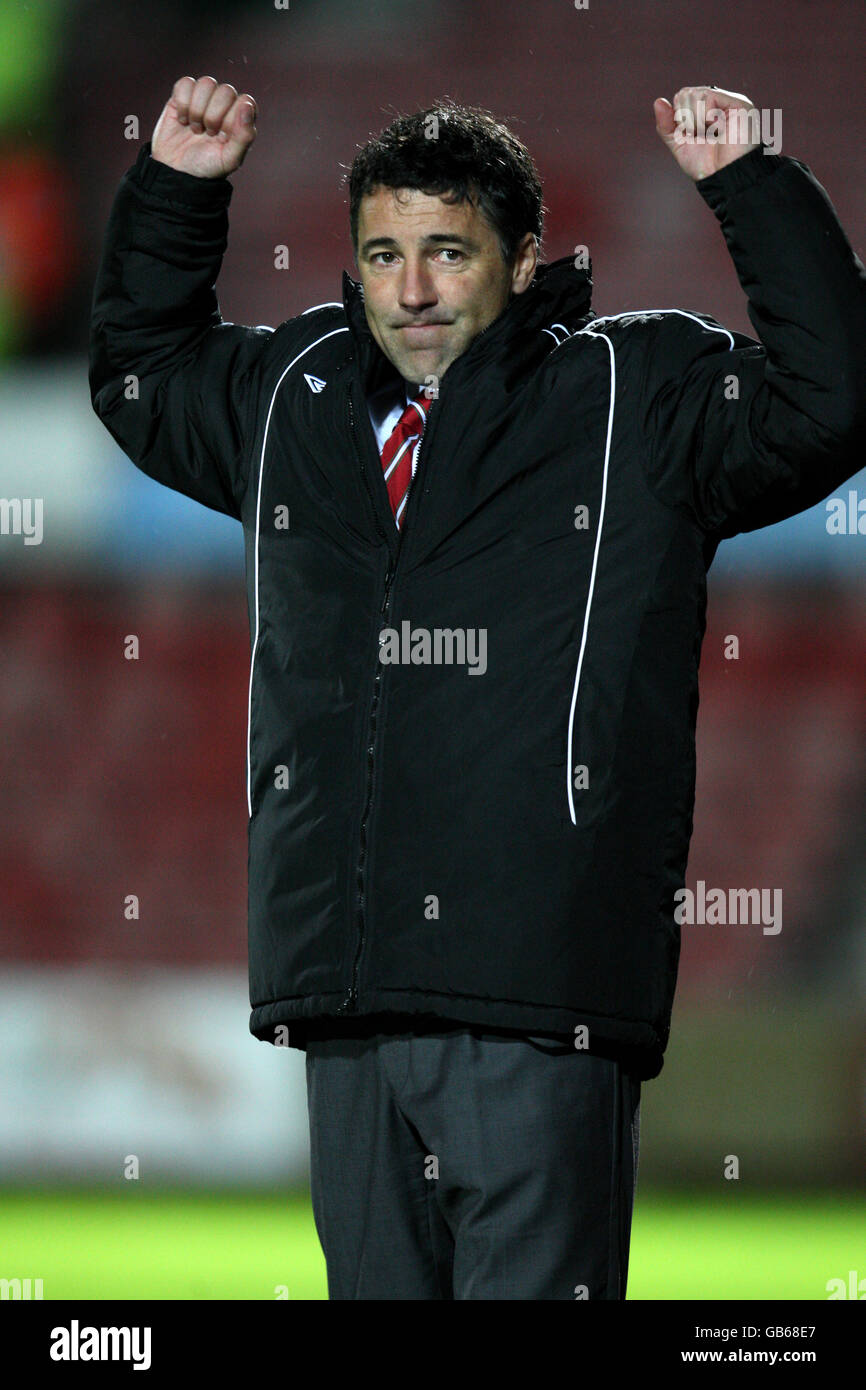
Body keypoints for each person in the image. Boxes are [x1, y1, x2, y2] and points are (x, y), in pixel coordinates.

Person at [89, 76, 866, 1300]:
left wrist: (750, 184)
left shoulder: (635, 398)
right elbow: (138, 376)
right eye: (382, 253)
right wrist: (177, 193)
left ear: (523, 255)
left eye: (447, 252)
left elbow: (833, 396)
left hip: (535, 1000)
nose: (408, 290)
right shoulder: (292, 393)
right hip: (344, 999)